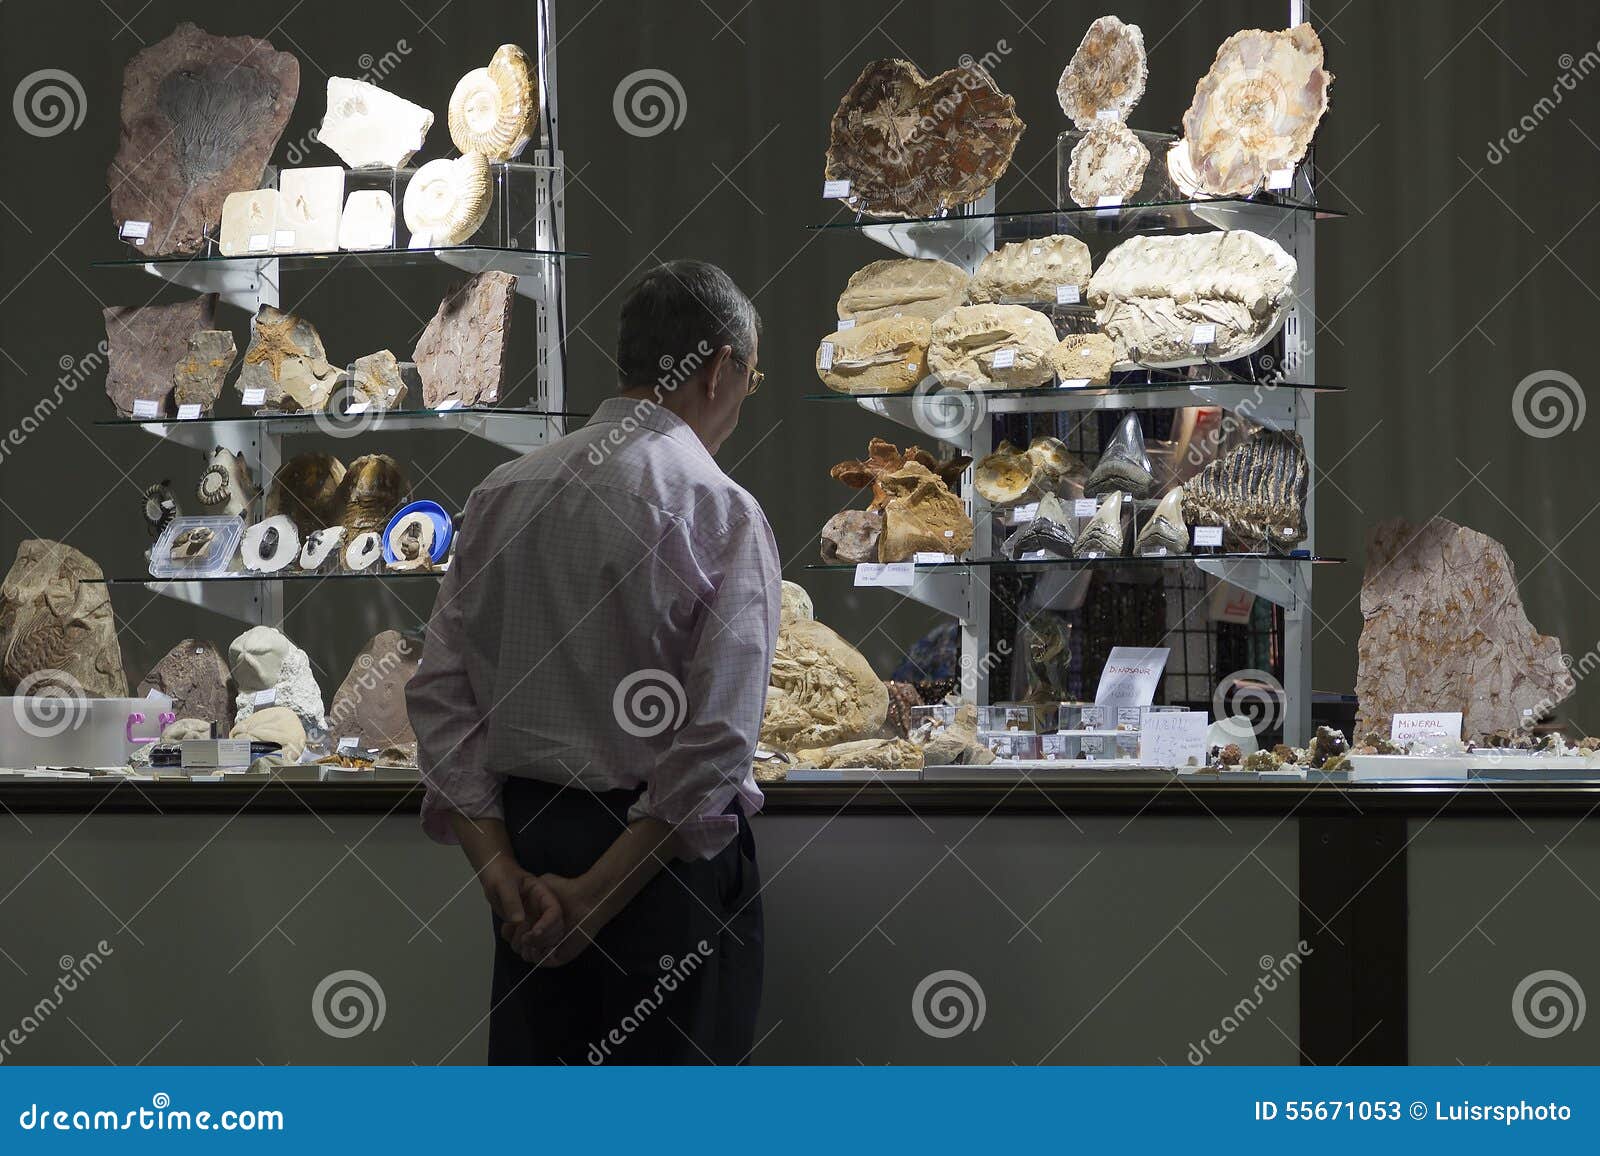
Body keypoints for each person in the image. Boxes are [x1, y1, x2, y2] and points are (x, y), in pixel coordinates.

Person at [407, 260, 780, 1064]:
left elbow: (438, 696)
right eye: (751, 378)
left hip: (527, 847)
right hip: (655, 873)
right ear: (720, 369)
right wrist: (597, 894)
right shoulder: (721, 511)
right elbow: (716, 741)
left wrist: (501, 871)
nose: (744, 402)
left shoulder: (504, 490)